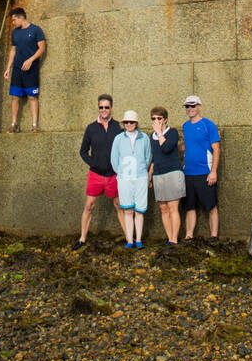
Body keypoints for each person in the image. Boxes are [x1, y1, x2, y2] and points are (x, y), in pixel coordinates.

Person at [74, 95, 124, 249]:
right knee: (89, 205)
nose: (104, 110)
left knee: (119, 205)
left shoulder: (118, 127)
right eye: (101, 107)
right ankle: (82, 238)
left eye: (106, 107)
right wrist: (93, 163)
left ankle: (130, 238)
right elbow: (83, 151)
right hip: (95, 174)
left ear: (111, 108)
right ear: (98, 108)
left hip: (113, 175)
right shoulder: (91, 128)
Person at [181, 96, 221, 243]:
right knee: (189, 207)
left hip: (205, 173)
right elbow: (187, 146)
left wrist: (213, 171)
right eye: (187, 106)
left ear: (199, 106)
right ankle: (189, 235)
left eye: (193, 105)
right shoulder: (185, 126)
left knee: (211, 206)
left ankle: (214, 236)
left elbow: (216, 149)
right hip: (188, 173)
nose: (190, 109)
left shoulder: (208, 125)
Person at [110, 112, 152, 248]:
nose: (129, 124)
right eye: (126, 122)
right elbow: (114, 159)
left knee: (139, 210)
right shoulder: (118, 139)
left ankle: (138, 239)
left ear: (136, 123)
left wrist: (140, 170)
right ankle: (129, 240)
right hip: (124, 179)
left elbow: (148, 157)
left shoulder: (144, 137)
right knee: (127, 210)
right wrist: (121, 172)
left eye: (131, 122)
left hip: (140, 177)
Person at [3, 8, 46, 131]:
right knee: (15, 97)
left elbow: (42, 48)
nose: (13, 22)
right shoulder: (15, 32)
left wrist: (30, 60)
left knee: (32, 97)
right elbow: (13, 50)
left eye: (14, 19)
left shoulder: (36, 30)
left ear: (21, 17)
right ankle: (14, 124)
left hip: (31, 70)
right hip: (17, 69)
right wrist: (8, 68)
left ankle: (34, 125)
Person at [149, 107, 184, 245]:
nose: (156, 121)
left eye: (159, 118)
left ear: (165, 119)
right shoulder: (151, 137)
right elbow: (153, 158)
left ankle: (174, 239)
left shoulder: (172, 132)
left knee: (172, 207)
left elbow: (167, 148)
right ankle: (169, 238)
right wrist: (150, 176)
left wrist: (159, 132)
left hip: (173, 172)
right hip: (158, 174)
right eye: (153, 119)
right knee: (163, 208)